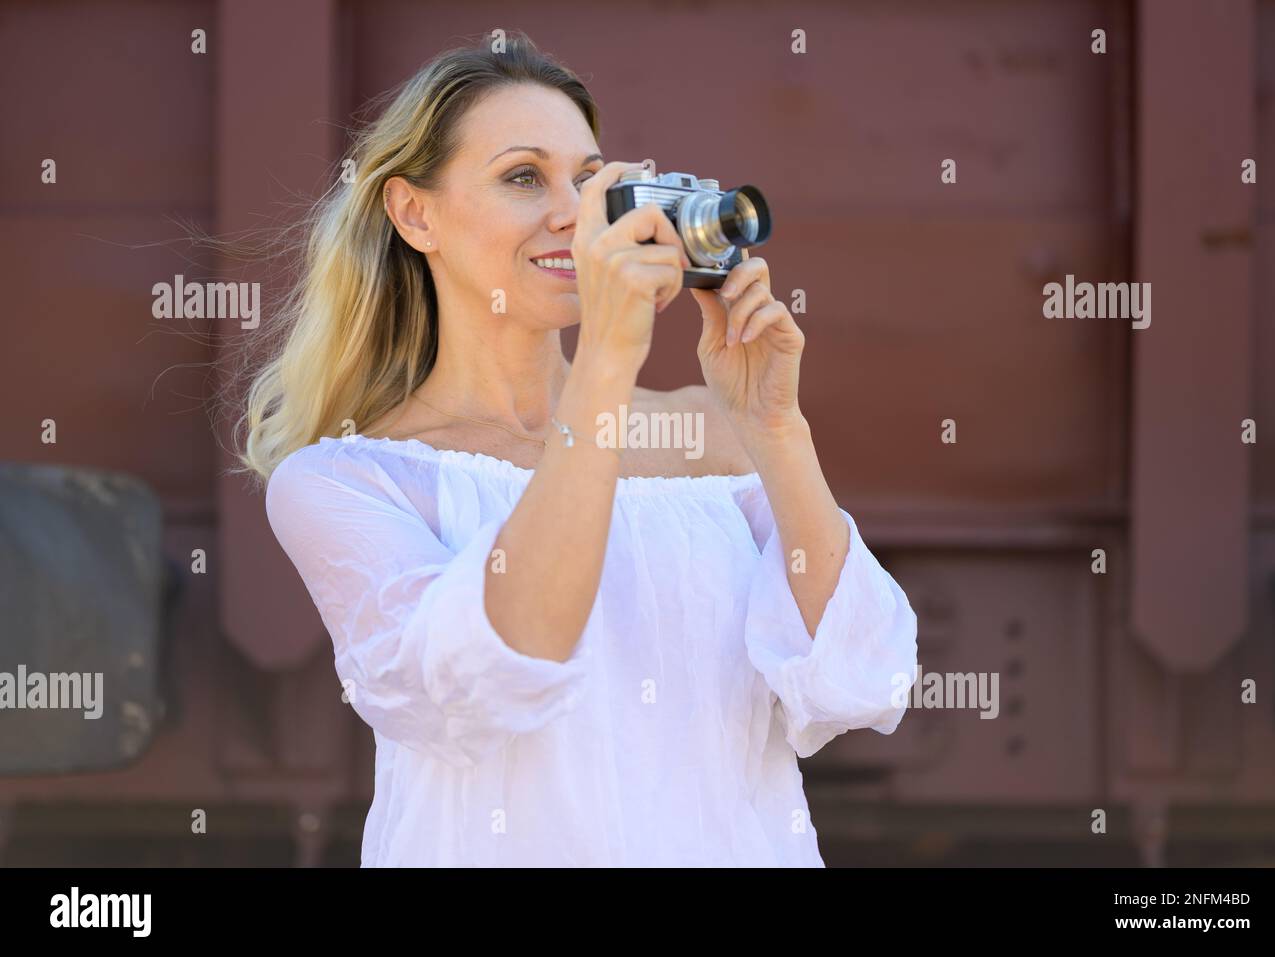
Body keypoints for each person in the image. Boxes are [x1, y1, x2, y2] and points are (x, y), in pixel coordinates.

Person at [241, 31, 918, 866]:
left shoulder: (703, 433)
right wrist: (605, 361)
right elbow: (501, 665)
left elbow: (859, 676)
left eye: (591, 180)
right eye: (524, 177)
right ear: (416, 213)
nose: (575, 213)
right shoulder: (349, 480)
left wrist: (776, 428)